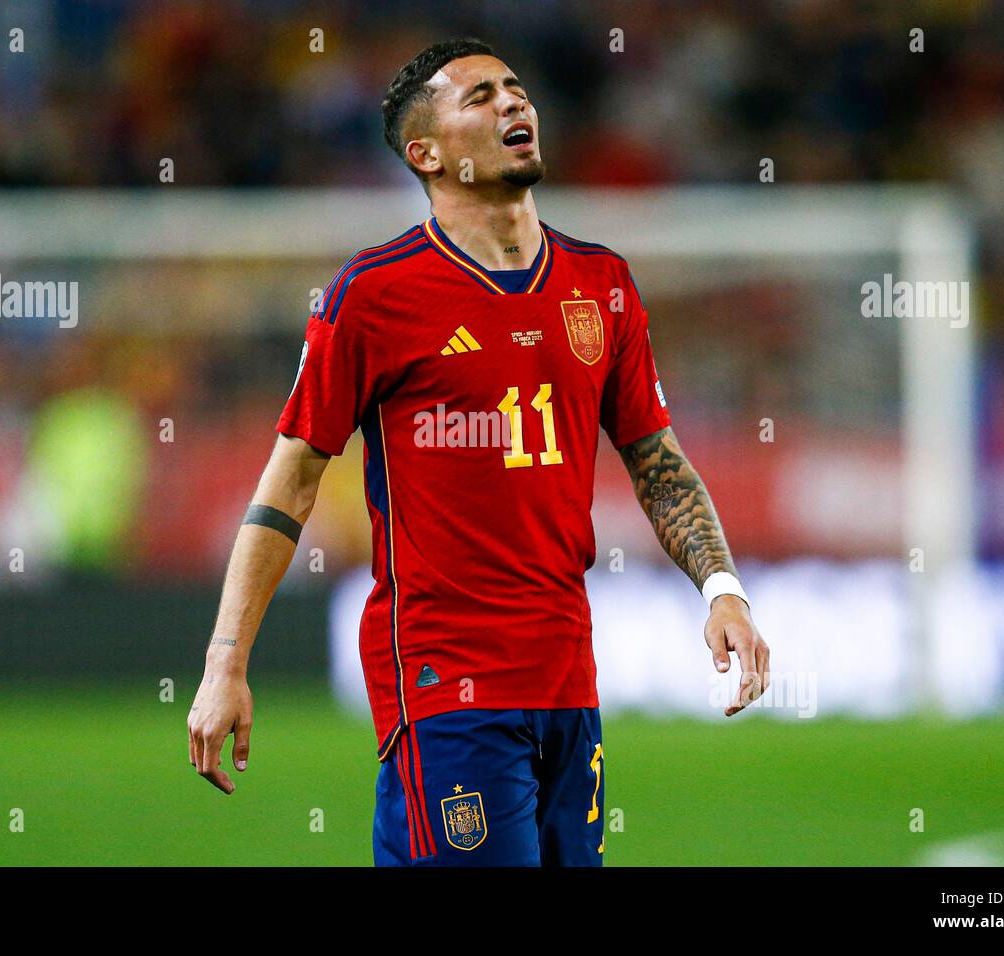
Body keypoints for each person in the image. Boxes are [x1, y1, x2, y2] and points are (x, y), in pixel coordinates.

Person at [187, 38, 770, 866]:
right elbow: (292, 481)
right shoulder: (375, 294)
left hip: (568, 678)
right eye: (480, 96)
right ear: (425, 153)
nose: (513, 103)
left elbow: (656, 460)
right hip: (443, 682)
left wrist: (723, 589)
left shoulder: (599, 284)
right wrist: (225, 663)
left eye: (516, 88)